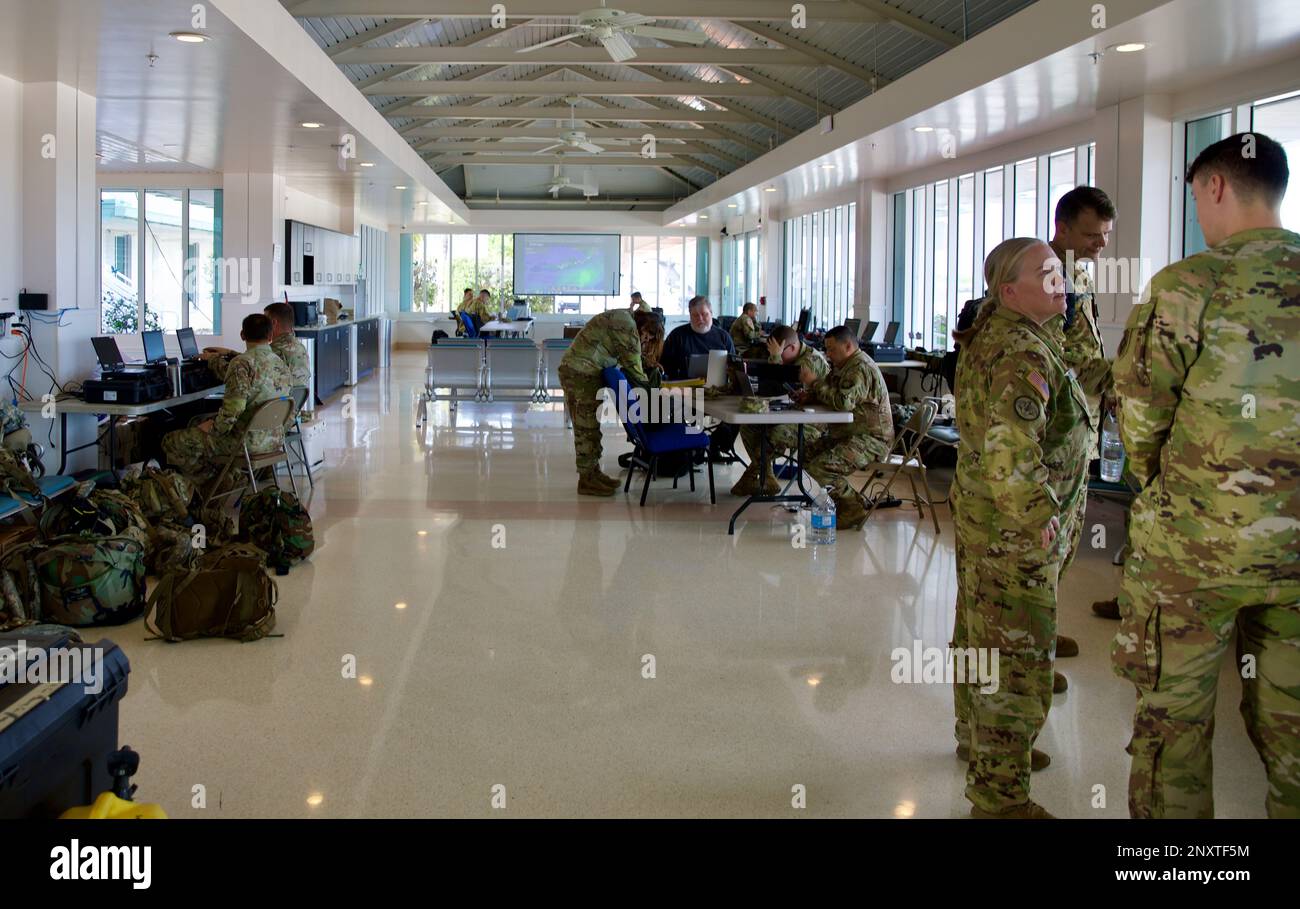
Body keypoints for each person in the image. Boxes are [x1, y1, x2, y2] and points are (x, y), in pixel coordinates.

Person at [1112, 132, 1299, 819]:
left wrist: (1171, 488)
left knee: (1174, 729)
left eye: (1195, 196)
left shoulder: (1188, 284)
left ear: (1214, 187)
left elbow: (1140, 417)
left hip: (1194, 552)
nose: (1198, 213)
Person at [948, 237, 1092, 819]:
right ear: (1011, 291)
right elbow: (1011, 454)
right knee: (1018, 664)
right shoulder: (1021, 351)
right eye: (1046, 272)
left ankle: (977, 743)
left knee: (978, 637)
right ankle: (1001, 799)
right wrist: (1040, 521)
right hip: (1012, 531)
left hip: (985, 520)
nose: (1059, 279)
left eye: (1059, 270)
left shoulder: (1014, 334)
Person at [1047, 187, 1120, 651]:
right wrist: (1122, 375)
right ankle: (1028, 655)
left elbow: (1086, 351)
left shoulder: (1080, 277)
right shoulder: (1042, 277)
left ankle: (1042, 636)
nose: (1100, 244)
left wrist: (1109, 385)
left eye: (1105, 235)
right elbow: (1057, 358)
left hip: (1082, 428)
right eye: (1092, 234)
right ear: (1063, 227)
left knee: (1065, 540)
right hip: (1055, 432)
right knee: (1043, 543)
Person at [162, 313, 291, 485]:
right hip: (274, 439)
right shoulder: (280, 362)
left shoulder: (241, 364)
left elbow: (234, 410)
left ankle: (210, 486)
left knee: (172, 441)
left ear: (242, 335)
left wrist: (214, 428)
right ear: (269, 336)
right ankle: (225, 478)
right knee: (196, 424)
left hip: (244, 443)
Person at [789, 324, 893, 531]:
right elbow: (829, 391)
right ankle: (838, 502)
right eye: (826, 349)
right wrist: (808, 395)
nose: (828, 354)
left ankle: (853, 506)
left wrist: (815, 383)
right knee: (805, 457)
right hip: (848, 434)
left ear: (847, 346)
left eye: (832, 349)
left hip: (872, 440)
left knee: (816, 470)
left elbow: (843, 401)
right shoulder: (843, 365)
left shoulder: (860, 368)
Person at [558, 309, 663, 496]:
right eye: (646, 336)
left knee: (591, 427)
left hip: (584, 372)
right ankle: (586, 479)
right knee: (586, 428)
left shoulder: (624, 319)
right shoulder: (626, 325)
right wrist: (654, 385)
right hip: (580, 373)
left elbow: (633, 358)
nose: (645, 341)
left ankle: (593, 473)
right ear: (644, 326)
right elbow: (634, 366)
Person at [731, 325, 829, 496]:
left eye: (779, 352)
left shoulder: (810, 362)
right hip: (790, 414)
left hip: (812, 421)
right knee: (748, 427)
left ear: (791, 347)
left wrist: (776, 359)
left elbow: (787, 390)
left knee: (773, 435)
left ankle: (752, 475)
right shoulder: (792, 358)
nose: (775, 357)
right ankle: (768, 478)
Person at [202, 302, 310, 388]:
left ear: (273, 323)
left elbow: (238, 373)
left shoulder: (277, 351)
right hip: (284, 409)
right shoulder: (298, 347)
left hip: (266, 411)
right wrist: (231, 353)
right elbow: (257, 363)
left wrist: (213, 359)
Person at [660, 295, 735, 380]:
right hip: (685, 386)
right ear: (690, 316)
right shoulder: (676, 336)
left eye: (704, 314)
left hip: (718, 387)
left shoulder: (724, 337)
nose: (700, 319)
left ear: (711, 314)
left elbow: (733, 365)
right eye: (695, 315)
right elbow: (665, 365)